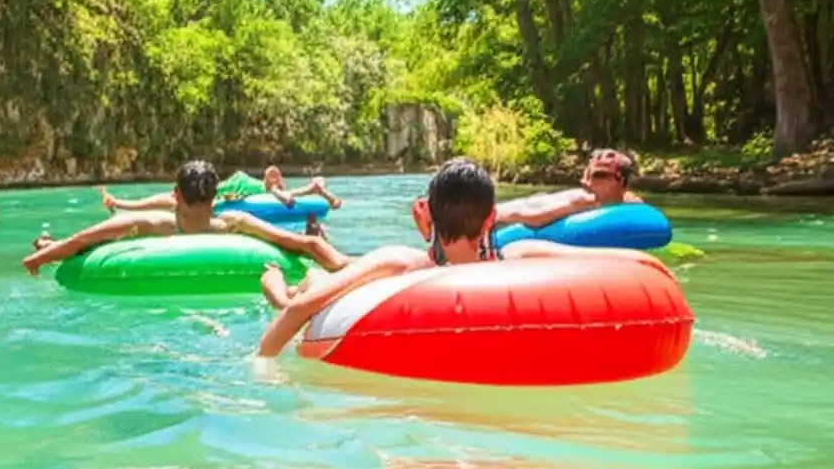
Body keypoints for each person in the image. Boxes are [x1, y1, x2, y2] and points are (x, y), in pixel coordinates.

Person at [255, 158, 671, 357]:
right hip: (442, 262)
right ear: (493, 217)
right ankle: (279, 282)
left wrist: (261, 371)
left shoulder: (398, 263)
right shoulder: (521, 254)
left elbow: (298, 313)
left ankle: (279, 281)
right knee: (312, 280)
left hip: (412, 272)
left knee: (318, 280)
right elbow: (634, 266)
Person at [23, 160, 351, 275]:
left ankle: (46, 243)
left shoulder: (152, 224)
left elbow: (84, 239)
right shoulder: (234, 223)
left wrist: (38, 259)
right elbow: (301, 243)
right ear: (215, 197)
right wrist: (345, 267)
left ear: (175, 195)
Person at [410, 148, 643, 239]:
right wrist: (483, 216)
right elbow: (533, 211)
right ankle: (446, 226)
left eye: (599, 176)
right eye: (588, 175)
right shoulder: (585, 198)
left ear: (621, 181)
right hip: (497, 222)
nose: (588, 182)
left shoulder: (631, 206)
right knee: (538, 201)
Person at [95, 165, 342, 213]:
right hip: (236, 187)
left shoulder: (241, 190)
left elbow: (162, 201)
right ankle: (117, 203)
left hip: (238, 188)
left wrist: (119, 204)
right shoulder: (233, 188)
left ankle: (117, 204)